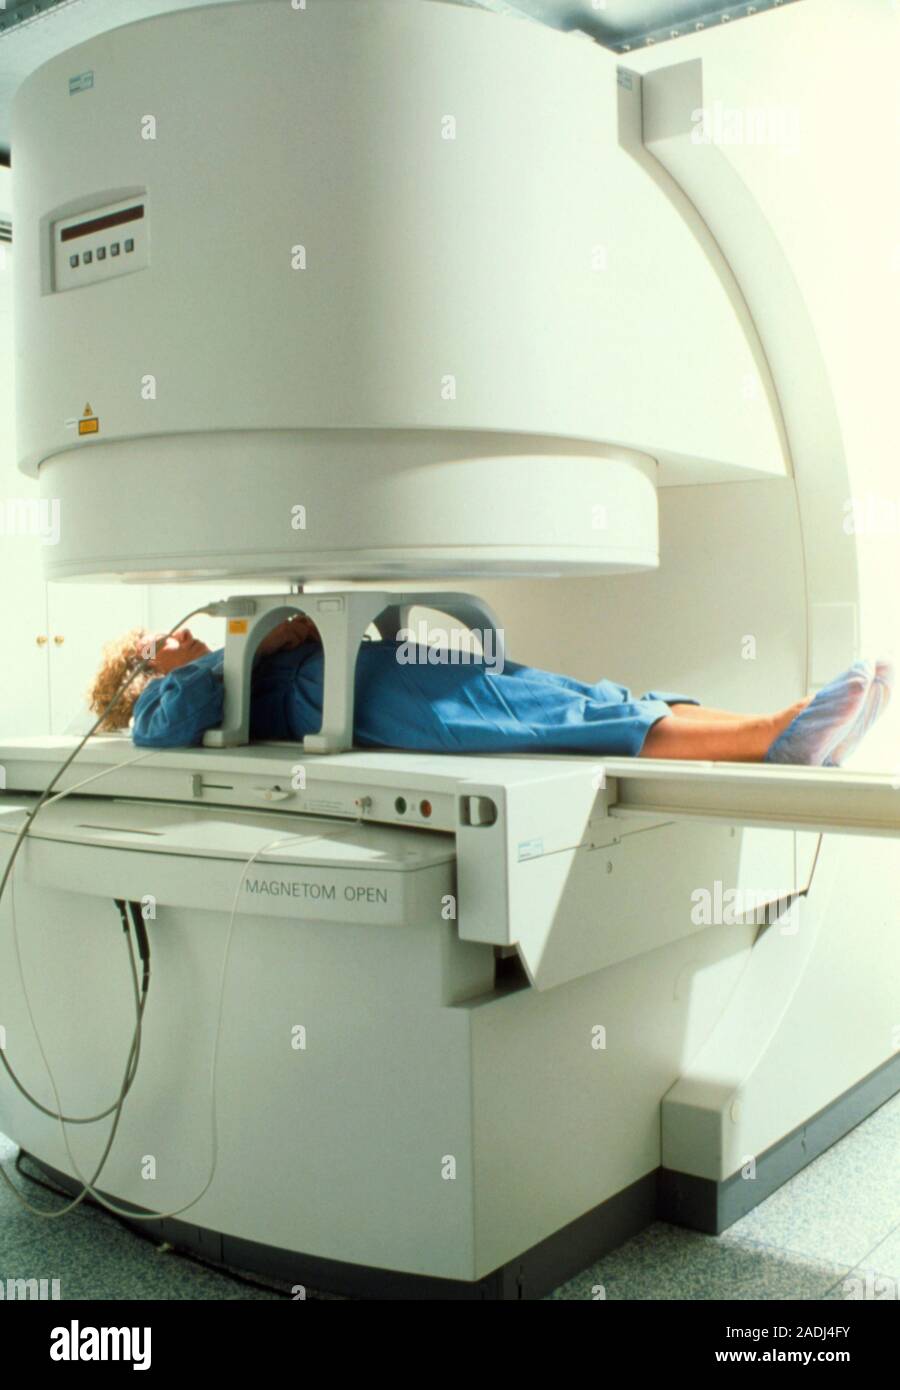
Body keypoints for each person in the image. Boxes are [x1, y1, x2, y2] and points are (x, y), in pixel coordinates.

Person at [86, 615, 893, 765]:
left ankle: (777, 727)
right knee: (565, 720)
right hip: (385, 704)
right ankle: (769, 740)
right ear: (139, 671)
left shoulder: (232, 657)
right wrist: (199, 656)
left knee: (585, 693)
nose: (173, 634)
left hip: (391, 665)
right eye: (154, 640)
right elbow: (166, 727)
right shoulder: (164, 700)